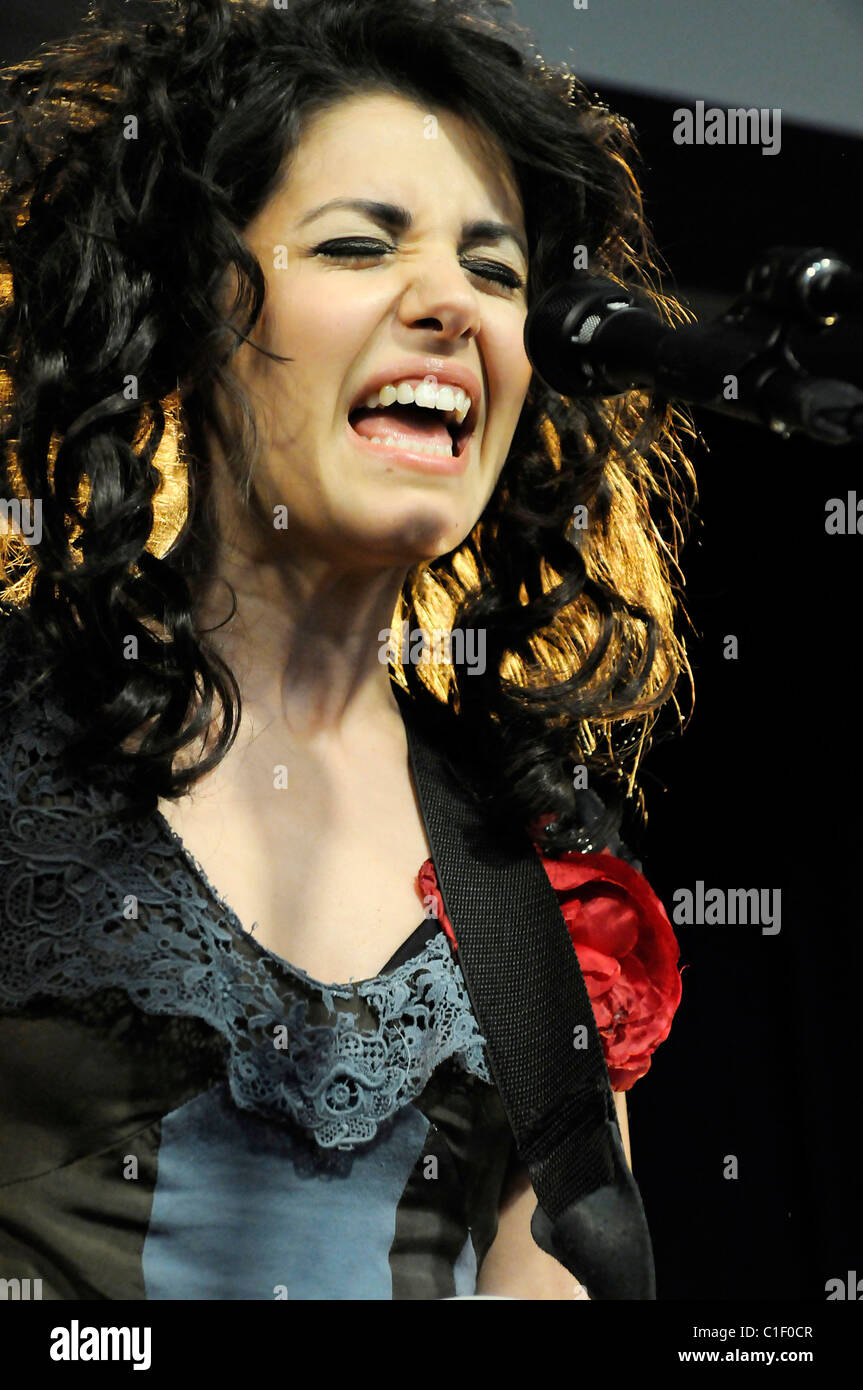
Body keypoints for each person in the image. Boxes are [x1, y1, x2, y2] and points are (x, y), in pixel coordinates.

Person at [0, 0, 695, 1300]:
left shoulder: (540, 855)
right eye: (359, 245)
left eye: (497, 272)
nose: (451, 304)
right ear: (191, 310)